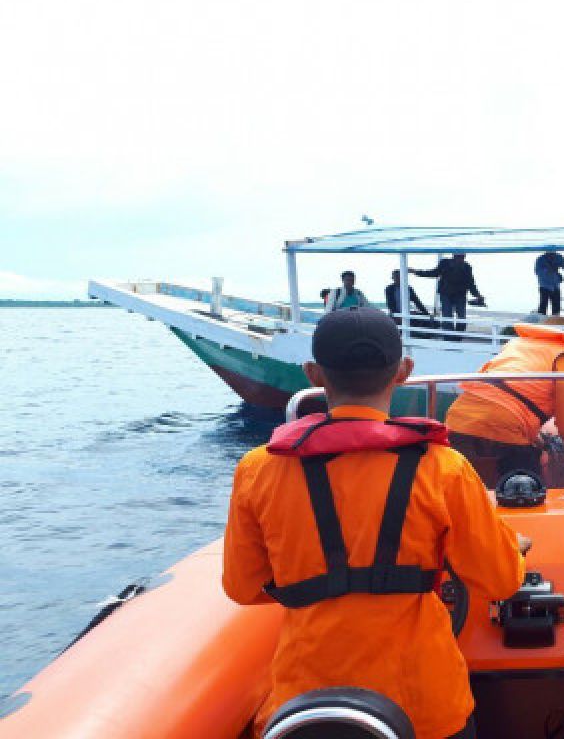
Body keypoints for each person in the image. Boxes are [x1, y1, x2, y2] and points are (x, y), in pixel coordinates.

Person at [222, 308, 528, 739]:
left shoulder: (258, 470)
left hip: (307, 706)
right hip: (425, 708)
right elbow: (499, 581)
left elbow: (243, 587)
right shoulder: (445, 469)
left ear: (313, 374)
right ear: (404, 371)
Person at [444, 323, 564, 488]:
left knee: (462, 486)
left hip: (458, 418)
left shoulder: (522, 345)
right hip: (506, 423)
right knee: (528, 490)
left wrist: (533, 436)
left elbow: (515, 386)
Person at [412, 254, 486, 335]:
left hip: (460, 295)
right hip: (446, 295)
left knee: (462, 319)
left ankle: (458, 337)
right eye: (459, 256)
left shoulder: (467, 267)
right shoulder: (445, 263)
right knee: (447, 318)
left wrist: (477, 295)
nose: (460, 259)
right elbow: (434, 273)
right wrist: (416, 272)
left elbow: (471, 283)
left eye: (462, 257)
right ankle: (448, 338)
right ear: (454, 256)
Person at [534, 250, 564, 316]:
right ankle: (541, 320)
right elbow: (537, 271)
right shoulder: (541, 259)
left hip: (555, 285)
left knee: (556, 306)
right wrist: (547, 270)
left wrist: (563, 265)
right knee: (543, 306)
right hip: (545, 285)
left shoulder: (559, 257)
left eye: (553, 251)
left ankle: (556, 320)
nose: (552, 254)